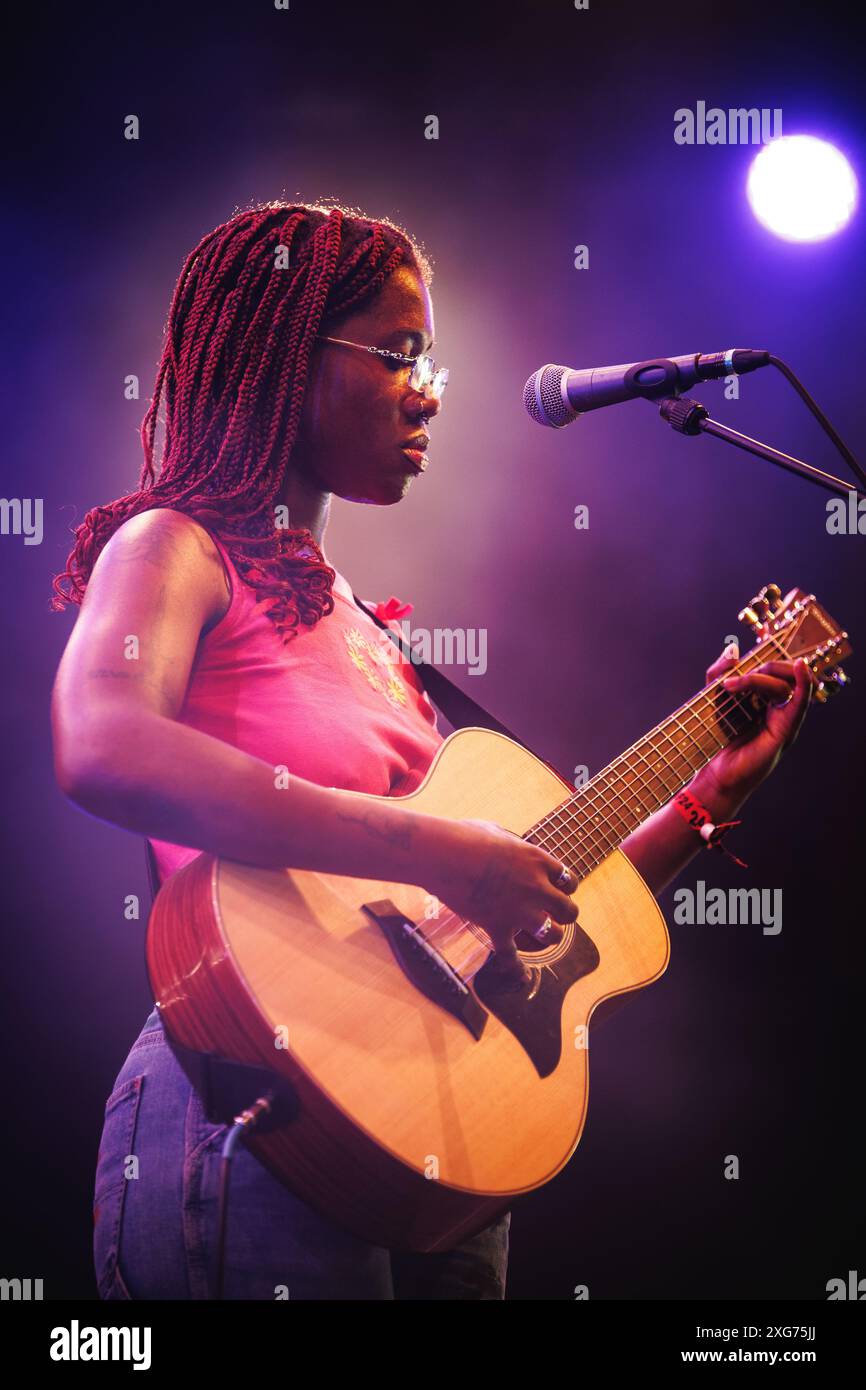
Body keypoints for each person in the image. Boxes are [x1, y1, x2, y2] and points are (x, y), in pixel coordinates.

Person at [49, 201, 813, 1300]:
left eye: (431, 360)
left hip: (435, 1143)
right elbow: (103, 742)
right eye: (398, 354)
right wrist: (435, 849)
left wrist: (700, 799)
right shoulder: (175, 545)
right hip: (258, 1105)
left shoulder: (369, 628)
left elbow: (509, 921)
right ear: (282, 353)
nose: (429, 390)